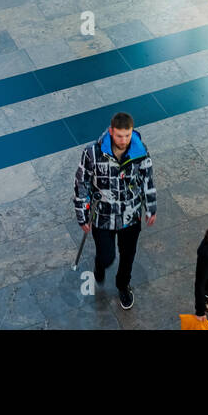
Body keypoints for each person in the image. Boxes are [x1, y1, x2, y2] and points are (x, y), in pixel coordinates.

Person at [73, 111, 157, 310]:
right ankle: (100, 264)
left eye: (127, 135)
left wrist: (150, 207)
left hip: (131, 214)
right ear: (111, 131)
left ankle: (123, 285)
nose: (124, 140)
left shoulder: (140, 150)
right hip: (103, 216)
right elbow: (81, 183)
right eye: (119, 135)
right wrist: (82, 215)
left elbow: (147, 179)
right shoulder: (92, 153)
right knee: (107, 256)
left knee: (128, 254)